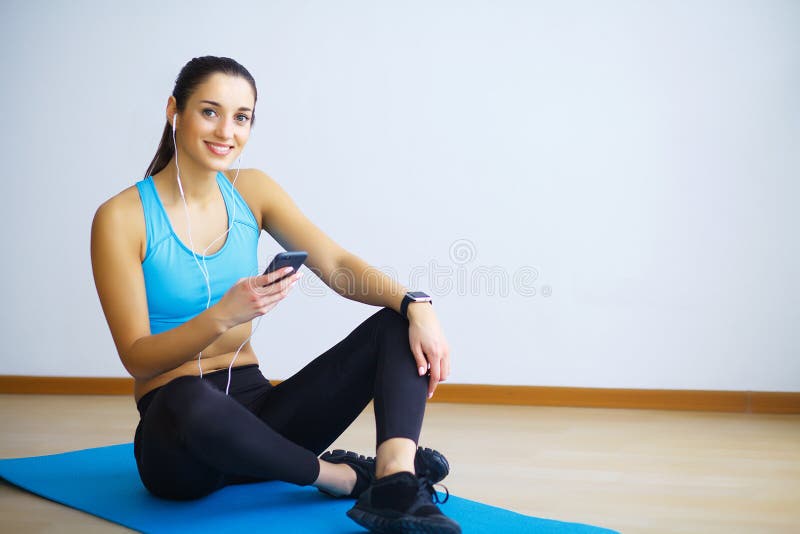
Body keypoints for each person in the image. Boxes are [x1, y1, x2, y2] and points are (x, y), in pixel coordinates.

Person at [90, 55, 461, 533]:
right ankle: (343, 477)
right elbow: (138, 359)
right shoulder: (121, 218)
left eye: (241, 117)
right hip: (181, 442)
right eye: (210, 111)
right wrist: (224, 316)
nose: (227, 131)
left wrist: (417, 304)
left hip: (263, 420)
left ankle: (393, 479)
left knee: (394, 322)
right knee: (189, 397)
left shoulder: (252, 190)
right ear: (173, 110)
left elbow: (338, 265)